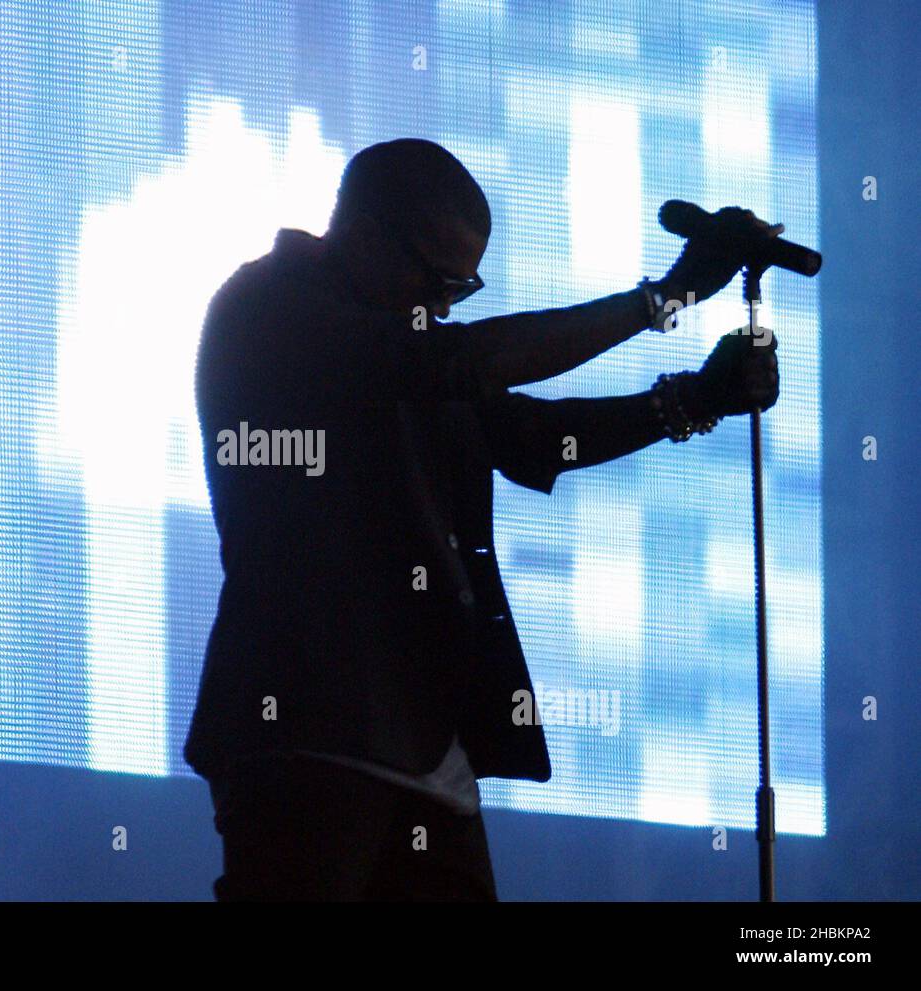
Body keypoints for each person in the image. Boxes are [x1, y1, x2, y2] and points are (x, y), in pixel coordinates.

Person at [183, 138, 781, 901]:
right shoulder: (270, 307)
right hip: (306, 737)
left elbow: (531, 436)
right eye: (438, 281)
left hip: (428, 747)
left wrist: (691, 400)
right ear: (365, 235)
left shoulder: (404, 346)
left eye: (461, 290)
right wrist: (657, 302)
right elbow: (460, 361)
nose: (442, 307)